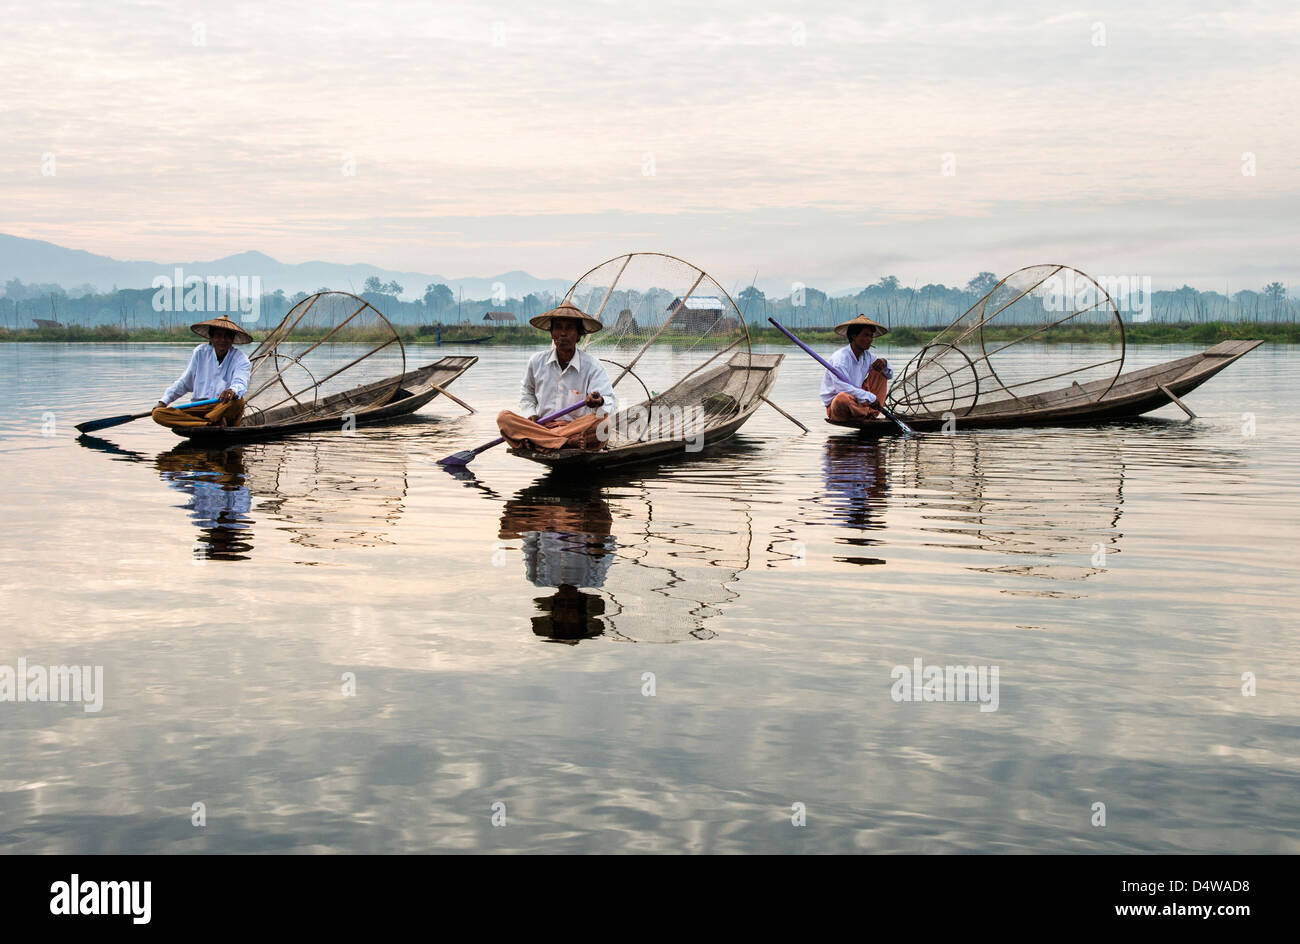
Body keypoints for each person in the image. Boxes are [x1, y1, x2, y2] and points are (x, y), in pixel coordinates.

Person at [496, 302, 617, 451]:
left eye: (569, 328)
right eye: (558, 327)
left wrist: (599, 401)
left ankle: (539, 441)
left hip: (576, 428)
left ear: (578, 334)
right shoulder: (536, 361)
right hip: (542, 427)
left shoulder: (593, 366)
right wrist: (531, 414)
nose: (563, 333)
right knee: (504, 418)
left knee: (604, 424)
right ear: (552, 332)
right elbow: (527, 394)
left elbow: (610, 402)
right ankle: (564, 442)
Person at [152, 316, 253, 428]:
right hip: (199, 408)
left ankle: (202, 422)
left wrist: (232, 391)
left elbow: (240, 383)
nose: (223, 340)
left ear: (232, 339)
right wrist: (163, 402)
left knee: (238, 401)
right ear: (211, 338)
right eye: (218, 336)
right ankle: (209, 424)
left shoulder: (241, 359)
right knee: (158, 414)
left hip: (221, 407)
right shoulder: (200, 352)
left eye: (227, 337)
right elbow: (184, 383)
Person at [821, 314, 892, 421]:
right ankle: (865, 413)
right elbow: (842, 388)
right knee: (842, 398)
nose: (869, 339)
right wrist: (870, 397)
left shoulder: (866, 356)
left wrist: (884, 362)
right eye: (865, 335)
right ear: (854, 336)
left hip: (857, 401)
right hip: (838, 407)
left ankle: (870, 412)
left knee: (880, 371)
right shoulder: (840, 359)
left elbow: (889, 374)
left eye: (871, 336)